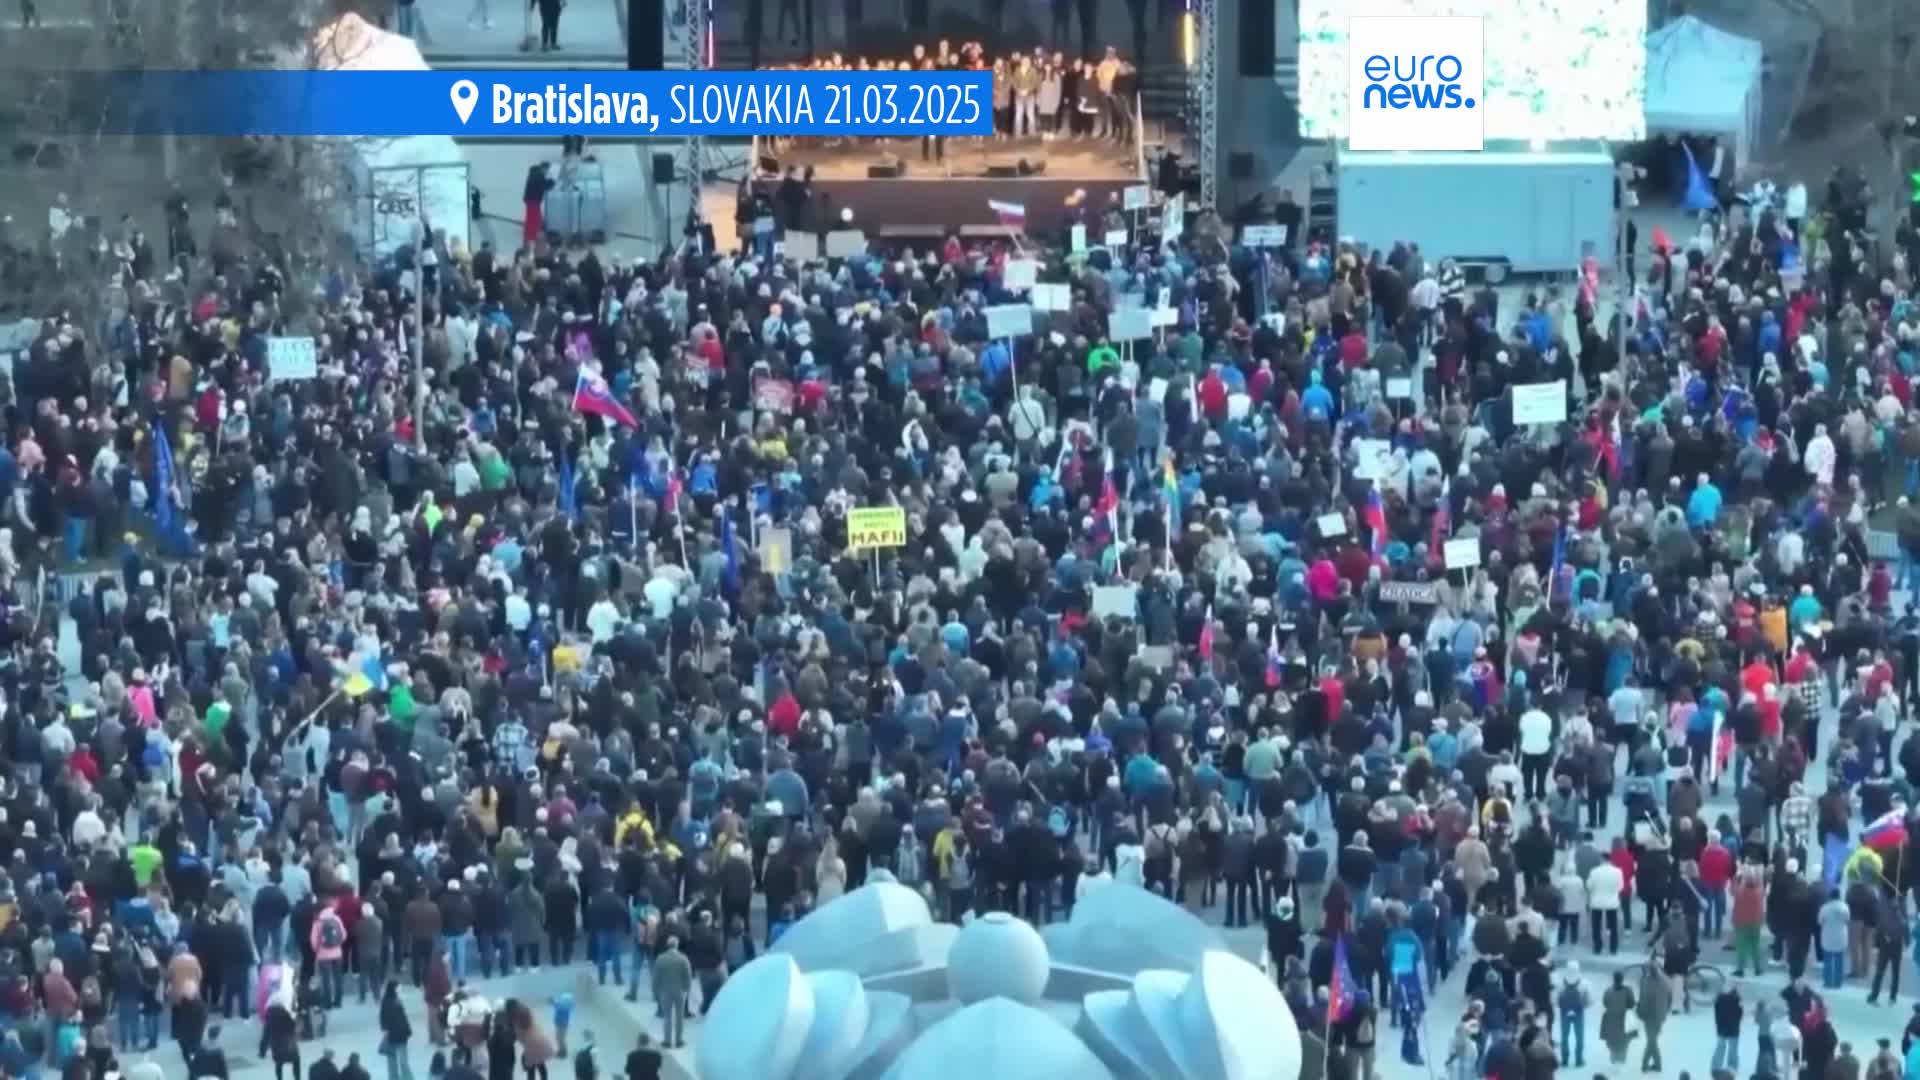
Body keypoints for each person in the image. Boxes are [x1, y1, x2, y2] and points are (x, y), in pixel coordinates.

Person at [651, 936, 692, 1050]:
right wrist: (687, 990)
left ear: (667, 945)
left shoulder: (661, 959)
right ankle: (679, 1041)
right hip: (680, 992)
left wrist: (655, 991)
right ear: (677, 945)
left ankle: (667, 1041)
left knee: (667, 1017)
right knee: (679, 1017)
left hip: (665, 992)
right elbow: (688, 976)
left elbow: (656, 977)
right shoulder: (683, 958)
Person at [381, 980, 416, 1080]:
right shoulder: (395, 1001)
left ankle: (394, 1077)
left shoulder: (387, 1001)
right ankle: (407, 1078)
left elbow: (383, 1018)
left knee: (393, 1061)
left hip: (394, 1035)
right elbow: (402, 1019)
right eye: (398, 987)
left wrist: (385, 1030)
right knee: (403, 1061)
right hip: (399, 1035)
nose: (400, 989)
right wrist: (408, 1030)